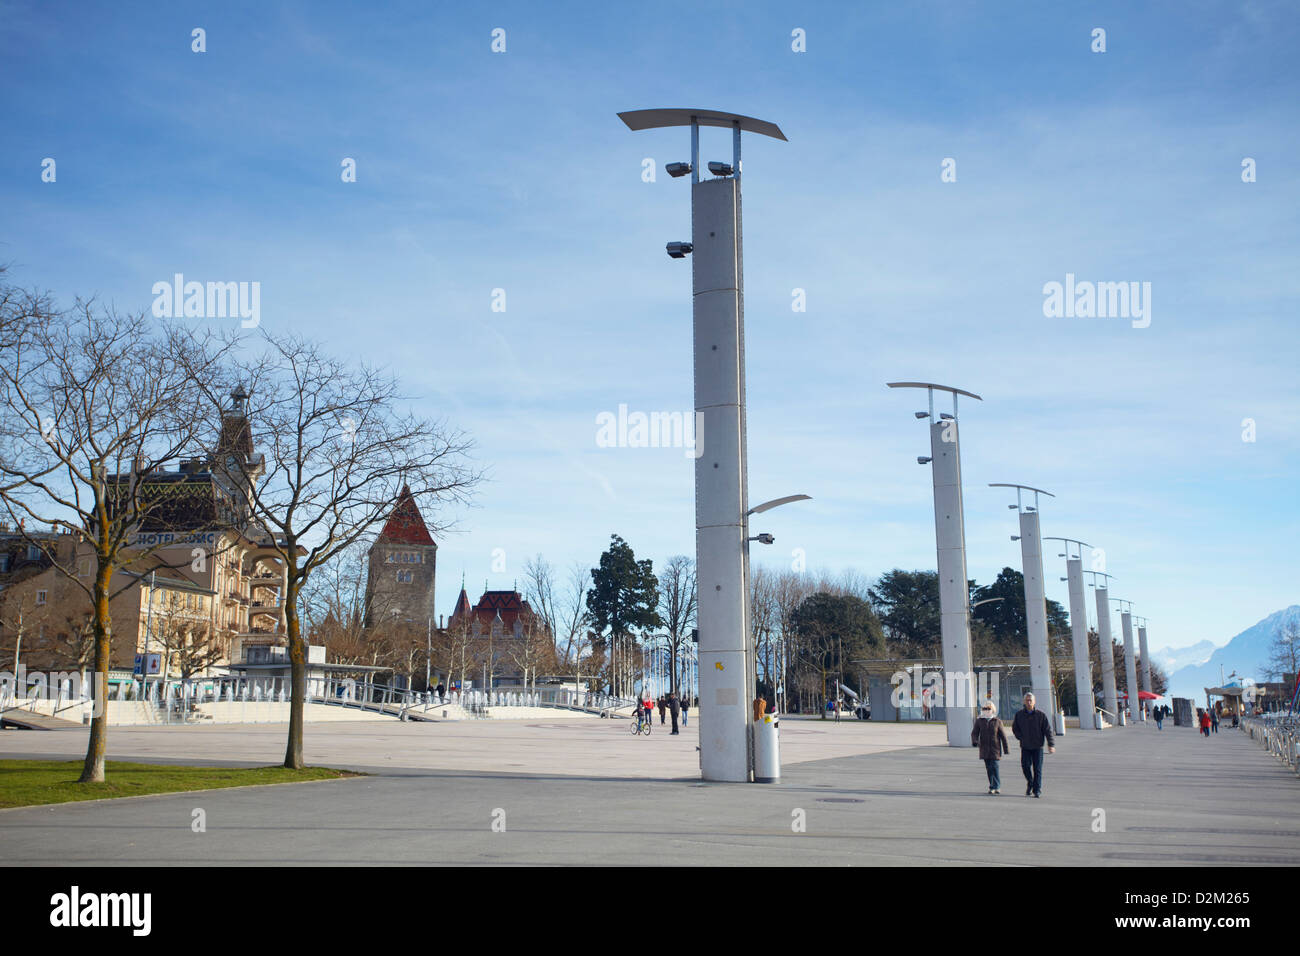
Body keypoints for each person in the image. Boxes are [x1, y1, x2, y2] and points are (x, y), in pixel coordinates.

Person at [1011, 692, 1056, 798]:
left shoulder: (1041, 715)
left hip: (1038, 746)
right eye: (1027, 700)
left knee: (1037, 769)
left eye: (1031, 700)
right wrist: (1020, 737)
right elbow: (1015, 728)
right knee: (1025, 766)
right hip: (1025, 746)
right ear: (1024, 702)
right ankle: (1030, 782)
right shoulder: (1019, 715)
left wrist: (1051, 744)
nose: (1029, 702)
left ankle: (1037, 789)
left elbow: (1047, 731)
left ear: (1034, 702)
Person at [971, 700, 1010, 794]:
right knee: (989, 768)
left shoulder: (997, 721)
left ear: (993, 710)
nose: (986, 710)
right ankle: (992, 786)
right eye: (985, 708)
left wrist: (1006, 749)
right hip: (984, 749)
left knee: (995, 767)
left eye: (989, 708)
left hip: (995, 749)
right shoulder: (980, 721)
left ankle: (996, 786)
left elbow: (1003, 736)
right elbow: (974, 733)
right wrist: (975, 741)